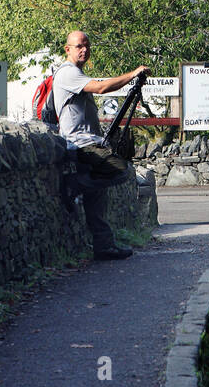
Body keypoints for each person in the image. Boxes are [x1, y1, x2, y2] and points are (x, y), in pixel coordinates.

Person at [52, 30, 150, 261]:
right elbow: (101, 88)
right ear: (68, 49)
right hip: (79, 144)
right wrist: (133, 73)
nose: (84, 50)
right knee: (121, 170)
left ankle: (104, 246)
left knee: (97, 197)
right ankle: (74, 183)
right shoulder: (67, 73)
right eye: (79, 46)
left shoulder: (77, 73)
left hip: (89, 142)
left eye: (86, 46)